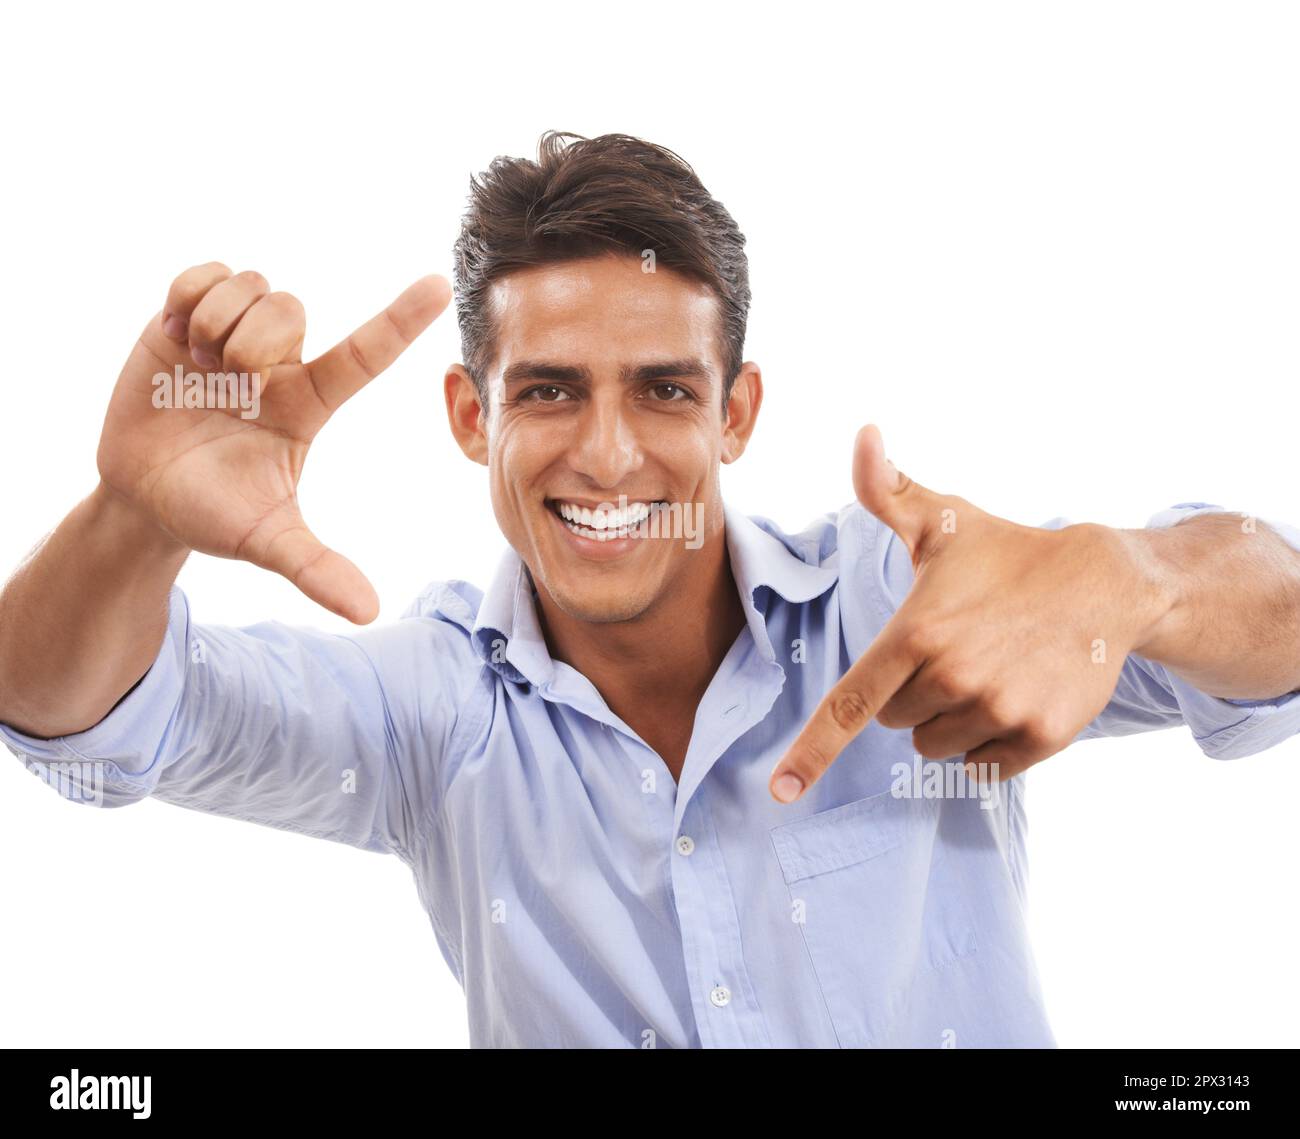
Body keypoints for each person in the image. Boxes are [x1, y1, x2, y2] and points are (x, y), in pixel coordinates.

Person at [3, 131, 1299, 1049]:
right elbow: (84, 717)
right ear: (471, 415)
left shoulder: (909, 604)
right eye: (551, 389)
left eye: (665, 390)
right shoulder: (436, 711)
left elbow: (1279, 619)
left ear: (737, 411)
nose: (609, 454)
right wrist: (129, 521)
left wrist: (1131, 580)